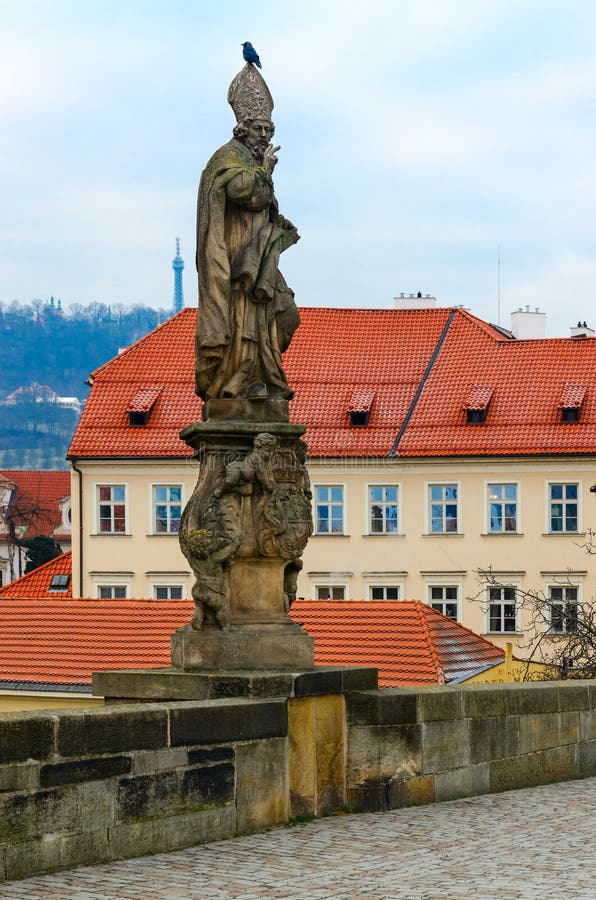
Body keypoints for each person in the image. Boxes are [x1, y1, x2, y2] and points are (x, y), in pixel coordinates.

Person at [195, 64, 300, 403]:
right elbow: (243, 191)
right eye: (259, 129)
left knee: (286, 315)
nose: (266, 135)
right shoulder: (226, 158)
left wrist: (280, 229)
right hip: (236, 260)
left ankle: (264, 376)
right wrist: (265, 172)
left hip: (260, 261)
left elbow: (262, 203)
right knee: (243, 322)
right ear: (242, 129)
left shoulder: (253, 161)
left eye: (269, 129)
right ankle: (241, 381)